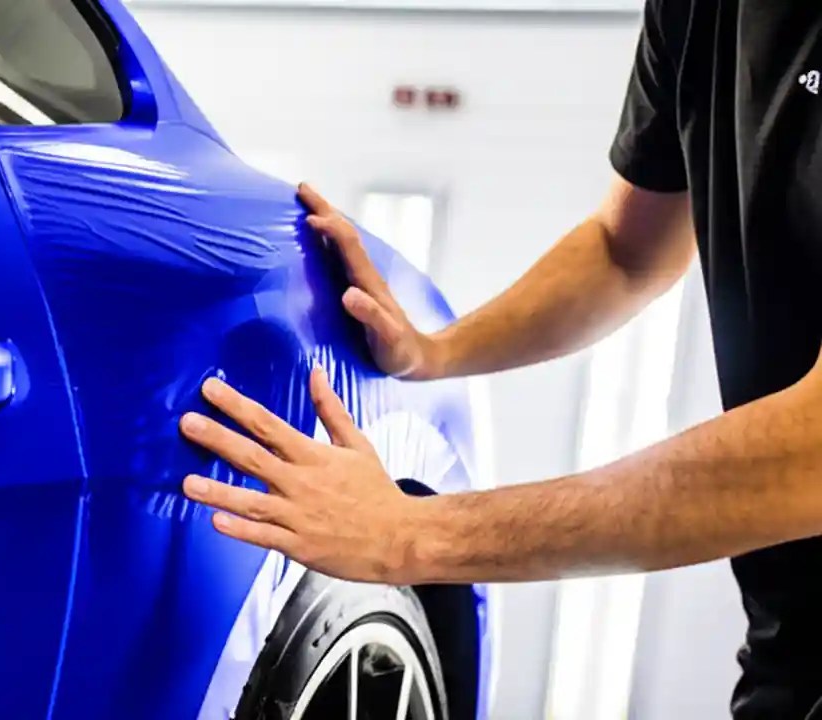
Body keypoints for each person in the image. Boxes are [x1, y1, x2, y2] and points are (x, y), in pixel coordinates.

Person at [178, 3, 822, 718]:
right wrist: (435, 350)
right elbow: (625, 250)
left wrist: (415, 533)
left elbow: (815, 448)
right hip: (790, 644)